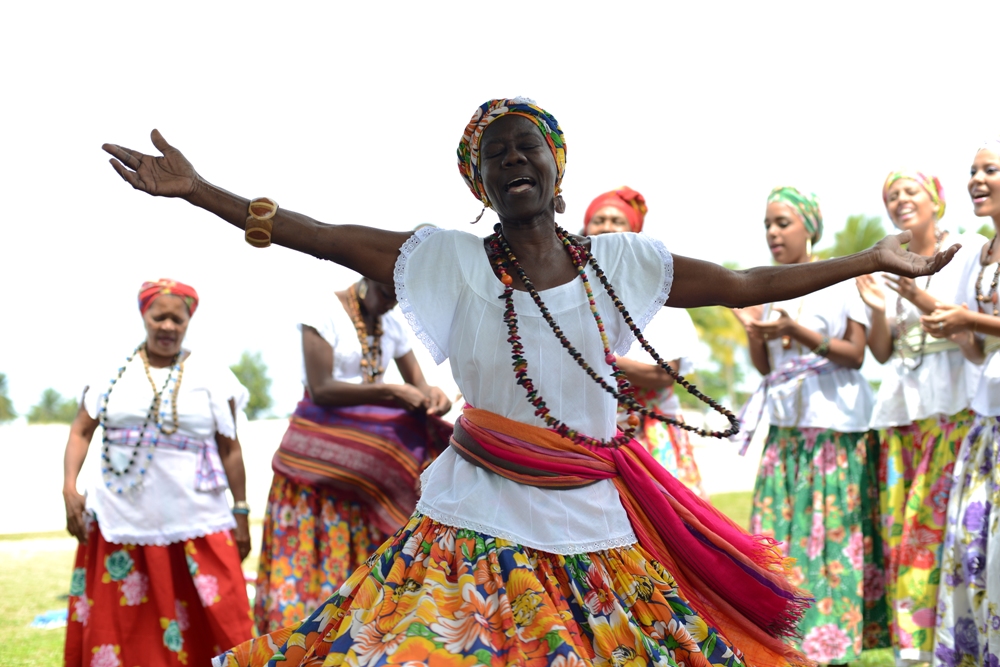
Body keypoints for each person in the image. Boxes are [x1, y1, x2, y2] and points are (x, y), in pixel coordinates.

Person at [103, 98, 956, 667]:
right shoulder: (447, 259)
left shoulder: (621, 260)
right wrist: (200, 192)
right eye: (495, 153)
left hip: (592, 520)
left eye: (528, 147)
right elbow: (320, 234)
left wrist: (868, 258)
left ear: (557, 169)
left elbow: (742, 283)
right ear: (479, 182)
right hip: (472, 513)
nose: (514, 159)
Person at [732, 187, 890, 664]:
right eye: (767, 224)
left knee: (830, 540)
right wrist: (753, 331)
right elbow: (767, 367)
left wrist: (794, 330)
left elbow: (855, 355)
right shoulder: (767, 286)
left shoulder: (840, 282)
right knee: (780, 540)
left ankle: (831, 644)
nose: (773, 233)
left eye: (783, 223)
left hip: (832, 434)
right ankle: (785, 638)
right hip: (786, 435)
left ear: (809, 228)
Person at [61, 279, 254, 667]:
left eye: (177, 319)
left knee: (222, 618)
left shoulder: (214, 376)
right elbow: (81, 430)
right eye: (159, 316)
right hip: (121, 518)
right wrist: (69, 487)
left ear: (188, 321)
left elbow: (230, 449)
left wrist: (242, 509)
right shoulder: (110, 373)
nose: (167, 326)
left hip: (198, 518)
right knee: (126, 625)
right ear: (144, 316)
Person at [254, 276, 452, 634]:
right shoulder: (323, 311)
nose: (390, 304)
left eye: (397, 299)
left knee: (355, 584)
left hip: (363, 479)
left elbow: (419, 387)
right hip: (315, 469)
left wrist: (433, 396)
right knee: (308, 577)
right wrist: (391, 393)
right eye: (386, 294)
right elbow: (321, 389)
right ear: (367, 277)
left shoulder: (389, 322)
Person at [854, 171, 985, 664]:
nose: (900, 201)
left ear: (936, 200)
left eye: (910, 191)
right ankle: (914, 643)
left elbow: (971, 329)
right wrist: (877, 310)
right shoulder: (891, 262)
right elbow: (882, 352)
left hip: (953, 403)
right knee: (904, 527)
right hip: (902, 411)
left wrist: (917, 297)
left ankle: (950, 636)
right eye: (892, 196)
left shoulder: (968, 249)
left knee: (941, 525)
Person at [920, 142, 1000, 667]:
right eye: (972, 170)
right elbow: (977, 350)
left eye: (990, 169)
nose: (977, 178)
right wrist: (951, 326)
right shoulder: (982, 252)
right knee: (976, 551)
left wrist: (967, 320)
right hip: (987, 420)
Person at [583, 186, 708, 497]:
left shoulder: (660, 296)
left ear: (634, 236)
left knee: (665, 519)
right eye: (598, 220)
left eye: (617, 221)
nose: (607, 227)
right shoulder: (569, 294)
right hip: (590, 435)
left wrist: (599, 357)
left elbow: (664, 375)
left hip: (651, 435)